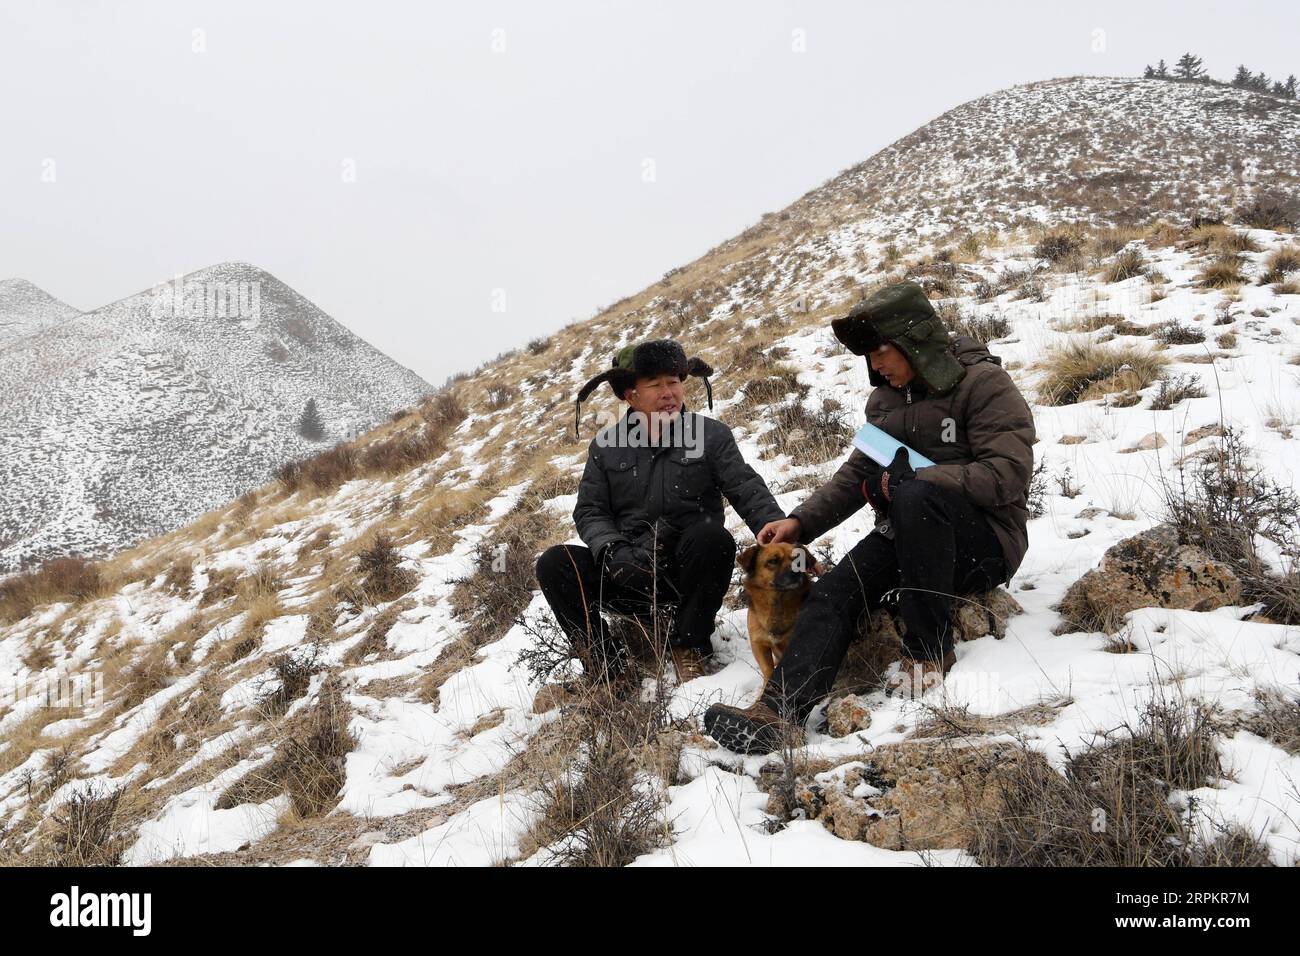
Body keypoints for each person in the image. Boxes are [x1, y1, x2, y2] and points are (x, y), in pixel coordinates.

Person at [703, 282, 1036, 754]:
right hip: (905, 536)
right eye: (870, 357)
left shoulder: (983, 386)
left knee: (918, 498)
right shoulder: (884, 401)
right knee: (833, 594)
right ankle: (778, 713)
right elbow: (859, 470)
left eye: (882, 352)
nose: (876, 366)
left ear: (914, 341)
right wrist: (801, 523)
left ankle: (927, 650)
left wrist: (919, 480)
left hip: (985, 543)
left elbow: (1008, 475)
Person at [535, 339, 785, 685]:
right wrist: (614, 552)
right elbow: (590, 510)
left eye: (674, 382)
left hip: (685, 571)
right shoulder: (606, 447)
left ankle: (689, 647)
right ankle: (606, 665)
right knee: (554, 563)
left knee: (713, 538)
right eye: (655, 385)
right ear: (630, 396)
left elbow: (745, 486)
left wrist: (775, 526)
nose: (668, 393)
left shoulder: (711, 436)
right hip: (624, 572)